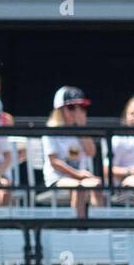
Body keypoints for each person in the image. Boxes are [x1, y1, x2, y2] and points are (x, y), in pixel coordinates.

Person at [43, 87, 102, 218]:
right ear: (59, 110)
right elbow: (55, 162)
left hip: (81, 176)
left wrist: (82, 129)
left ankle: (101, 230)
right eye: (71, 108)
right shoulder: (51, 131)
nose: (77, 112)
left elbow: (91, 152)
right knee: (79, 188)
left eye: (81, 108)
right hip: (58, 178)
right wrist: (78, 175)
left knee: (97, 185)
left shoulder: (80, 130)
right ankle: (77, 229)